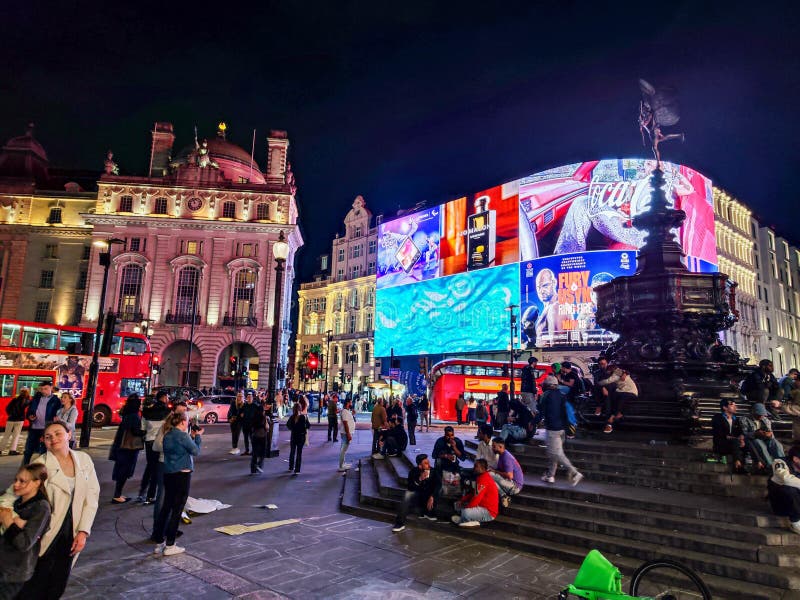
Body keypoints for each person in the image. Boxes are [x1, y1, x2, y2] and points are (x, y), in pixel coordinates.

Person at [4, 422, 100, 598]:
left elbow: (92, 497)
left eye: (58, 433)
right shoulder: (39, 465)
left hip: (71, 533)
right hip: (45, 535)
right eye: (48, 437)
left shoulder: (84, 460)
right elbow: (10, 496)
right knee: (33, 586)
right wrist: (12, 519)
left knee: (57, 585)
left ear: (69, 435)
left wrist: (83, 531)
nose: (53, 439)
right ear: (44, 442)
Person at [153, 412, 202, 556]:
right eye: (186, 421)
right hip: (182, 475)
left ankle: (159, 542)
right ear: (181, 422)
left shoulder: (167, 434)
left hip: (169, 473)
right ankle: (170, 544)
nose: (188, 423)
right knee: (177, 509)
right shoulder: (182, 435)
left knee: (166, 507)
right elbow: (195, 451)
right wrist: (198, 437)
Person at [0, 463, 51, 599]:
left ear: (36, 483)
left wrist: (8, 521)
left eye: (22, 481)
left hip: (12, 573)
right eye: (16, 480)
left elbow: (24, 543)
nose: (16, 484)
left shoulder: (41, 508)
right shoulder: (14, 498)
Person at [538, 376, 583, 486]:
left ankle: (574, 472)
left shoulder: (546, 395)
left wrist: (533, 422)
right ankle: (550, 475)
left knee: (556, 453)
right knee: (553, 452)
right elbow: (564, 412)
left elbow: (541, 411)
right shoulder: (562, 395)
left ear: (547, 385)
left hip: (552, 429)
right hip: (562, 429)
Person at [109, 394, 145, 503]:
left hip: (121, 446)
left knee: (121, 470)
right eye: (139, 404)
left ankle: (118, 494)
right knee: (124, 471)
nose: (140, 406)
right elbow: (135, 431)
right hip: (128, 448)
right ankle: (117, 495)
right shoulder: (134, 416)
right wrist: (145, 432)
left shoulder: (126, 414)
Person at [392, 454, 440, 532]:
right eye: (426, 463)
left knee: (435, 494)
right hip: (418, 497)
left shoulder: (434, 472)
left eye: (428, 462)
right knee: (407, 494)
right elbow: (410, 487)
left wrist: (432, 496)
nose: (428, 464)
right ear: (420, 466)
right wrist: (419, 479)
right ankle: (399, 523)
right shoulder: (413, 471)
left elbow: (438, 485)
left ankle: (427, 513)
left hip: (428, 497)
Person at [137, 391, 170, 504]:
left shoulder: (147, 412)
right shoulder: (167, 412)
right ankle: (151, 496)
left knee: (150, 467)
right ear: (164, 397)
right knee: (157, 469)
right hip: (160, 441)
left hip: (149, 441)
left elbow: (142, 429)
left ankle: (142, 492)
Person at [451, 459, 498, 527]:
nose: (474, 468)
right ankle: (465, 519)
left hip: (488, 512)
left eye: (476, 466)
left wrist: (467, 507)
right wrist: (462, 500)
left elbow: (476, 498)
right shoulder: (480, 477)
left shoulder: (484, 479)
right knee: (457, 505)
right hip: (481, 506)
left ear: (482, 468)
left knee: (465, 513)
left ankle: (473, 521)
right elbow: (474, 493)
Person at [23, 380, 60, 464]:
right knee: (28, 450)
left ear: (51, 388)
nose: (43, 391)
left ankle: (43, 469)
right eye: (42, 389)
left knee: (44, 450)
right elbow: (30, 411)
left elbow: (58, 413)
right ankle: (24, 467)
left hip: (46, 429)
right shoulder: (36, 399)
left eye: (46, 389)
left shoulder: (56, 400)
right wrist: (30, 416)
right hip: (34, 428)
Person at [741, 402, 785, 469]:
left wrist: (769, 434)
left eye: (763, 415)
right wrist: (756, 433)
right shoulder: (744, 419)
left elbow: (771, 433)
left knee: (776, 443)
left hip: (765, 439)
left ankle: (782, 464)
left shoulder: (765, 420)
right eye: (759, 414)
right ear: (754, 412)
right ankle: (770, 466)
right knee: (760, 444)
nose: (761, 416)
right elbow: (745, 434)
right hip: (753, 440)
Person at [768, 445, 800, 535]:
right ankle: (795, 522)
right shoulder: (779, 462)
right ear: (796, 459)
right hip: (781, 505)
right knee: (789, 488)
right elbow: (786, 478)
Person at [597, 368, 637, 433]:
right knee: (615, 398)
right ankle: (617, 415)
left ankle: (611, 419)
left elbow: (608, 381)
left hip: (629, 392)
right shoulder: (614, 375)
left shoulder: (617, 372)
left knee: (621, 398)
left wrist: (599, 384)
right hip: (621, 392)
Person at [711, 398, 746, 472]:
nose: (736, 407)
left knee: (748, 443)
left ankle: (760, 464)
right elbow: (718, 432)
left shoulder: (736, 419)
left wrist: (742, 438)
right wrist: (732, 438)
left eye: (735, 406)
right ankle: (738, 464)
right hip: (721, 444)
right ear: (725, 407)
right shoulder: (717, 418)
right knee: (735, 441)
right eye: (733, 405)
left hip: (734, 443)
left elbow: (740, 432)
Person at [489, 437, 524, 507]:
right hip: (510, 483)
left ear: (500, 446)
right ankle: (503, 496)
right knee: (489, 478)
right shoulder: (502, 455)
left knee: (489, 474)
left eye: (494, 446)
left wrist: (495, 471)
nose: (492, 448)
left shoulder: (506, 457)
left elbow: (509, 476)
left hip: (515, 487)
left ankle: (503, 496)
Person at [1, 387, 29, 456]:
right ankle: (12, 450)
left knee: (6, 435)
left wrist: (10, 414)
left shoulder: (14, 399)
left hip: (11, 419)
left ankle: (0, 449)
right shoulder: (27, 401)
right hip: (20, 420)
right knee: (16, 436)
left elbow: (7, 408)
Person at [285, 402, 310, 476]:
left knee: (292, 452)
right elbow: (308, 426)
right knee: (299, 453)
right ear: (300, 408)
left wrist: (293, 428)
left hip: (293, 436)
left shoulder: (292, 417)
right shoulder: (303, 417)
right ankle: (297, 469)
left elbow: (288, 425)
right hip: (301, 436)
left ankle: (291, 467)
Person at [338, 397, 355, 472]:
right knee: (343, 449)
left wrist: (353, 414)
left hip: (347, 432)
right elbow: (345, 423)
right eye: (351, 402)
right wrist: (348, 433)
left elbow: (349, 420)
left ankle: (343, 463)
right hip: (345, 433)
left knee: (344, 449)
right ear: (348, 403)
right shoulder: (344, 411)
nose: (351, 404)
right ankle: (341, 465)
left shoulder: (347, 411)